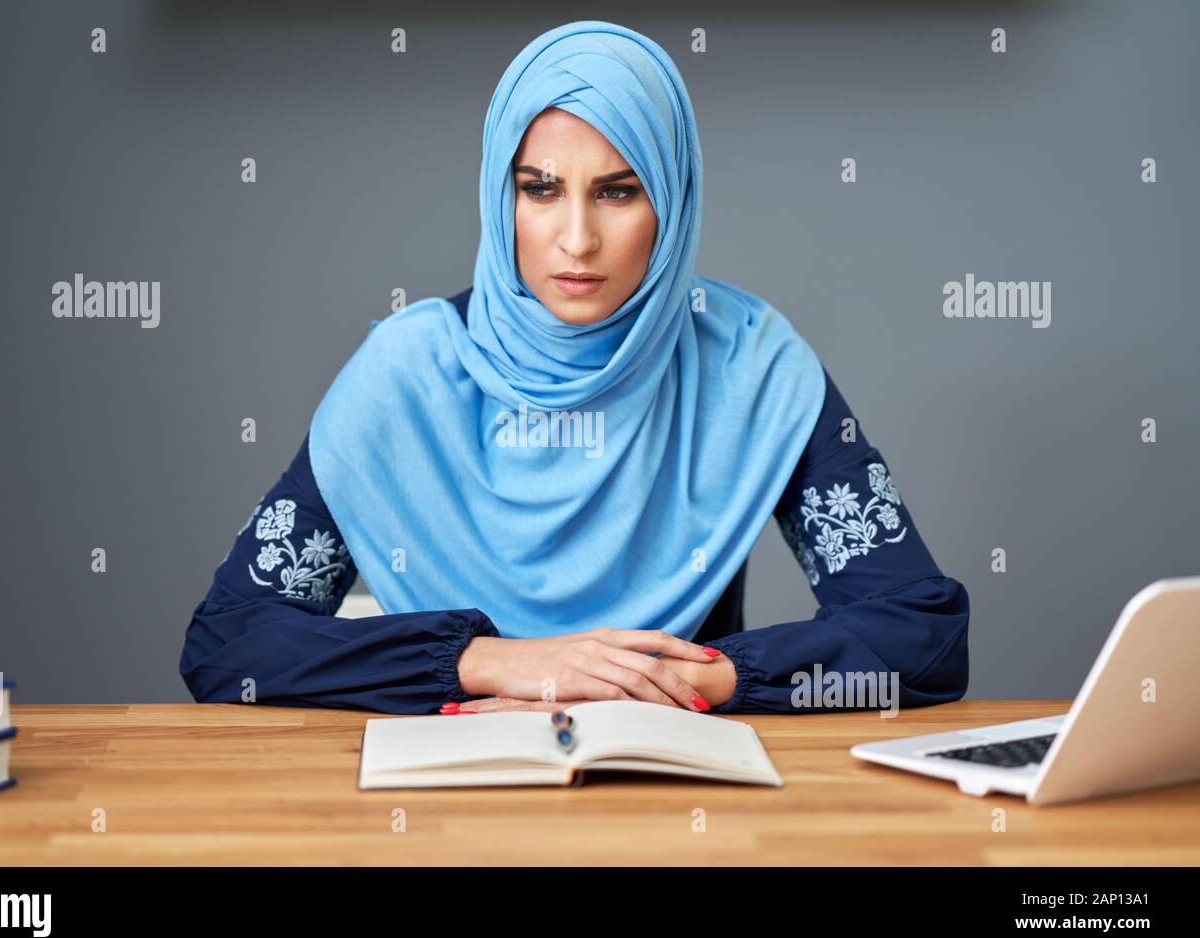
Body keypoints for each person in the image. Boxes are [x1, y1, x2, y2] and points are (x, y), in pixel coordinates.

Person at [179, 21, 969, 716]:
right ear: (502, 196)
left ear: (673, 200)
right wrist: (491, 663)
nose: (577, 238)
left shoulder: (749, 366)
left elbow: (920, 633)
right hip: (445, 808)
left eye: (618, 192)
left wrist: (699, 680)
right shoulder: (405, 374)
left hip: (675, 804)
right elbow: (231, 640)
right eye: (542, 189)